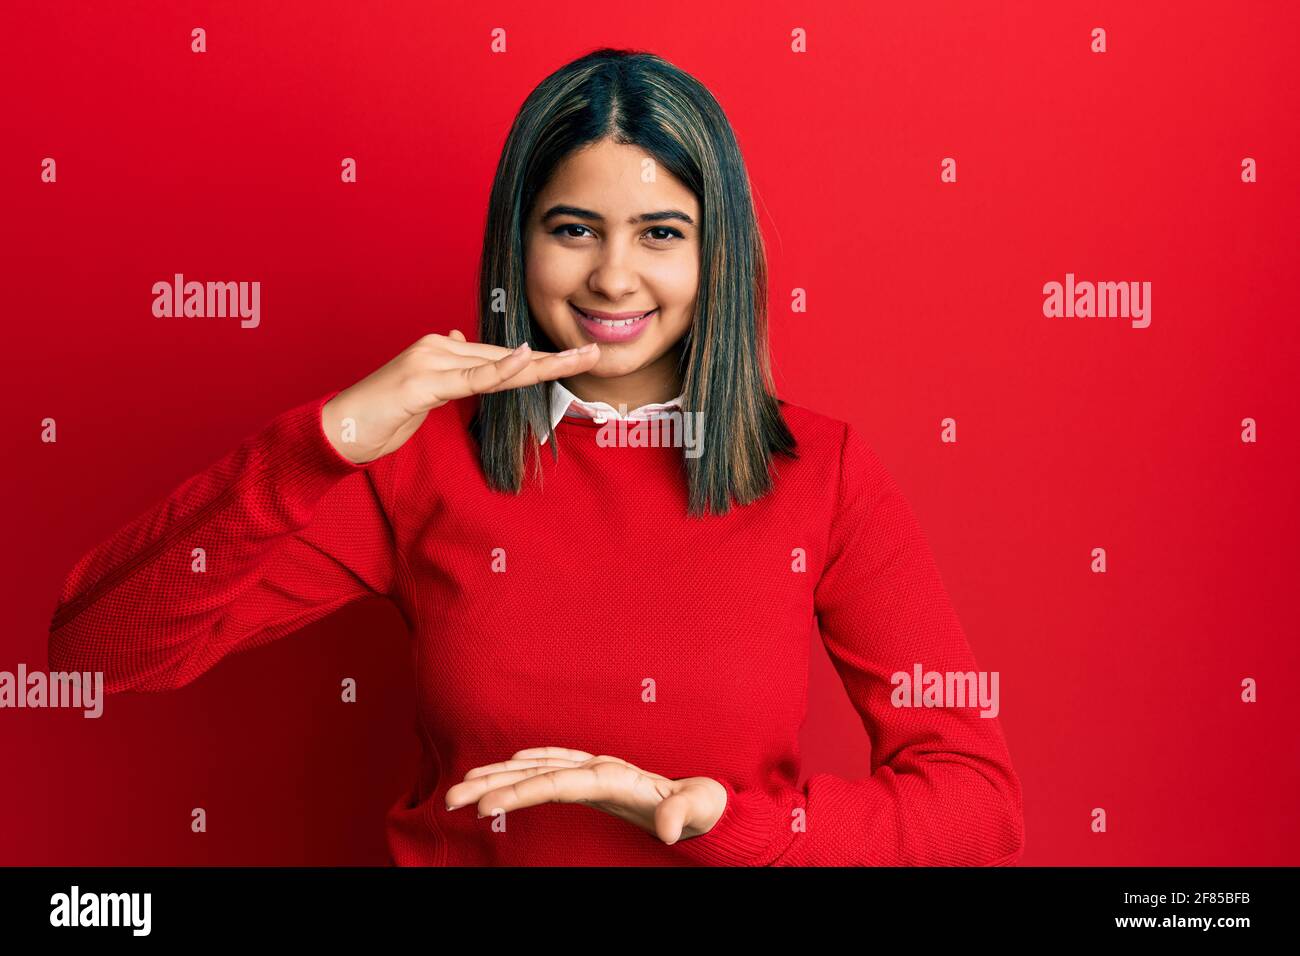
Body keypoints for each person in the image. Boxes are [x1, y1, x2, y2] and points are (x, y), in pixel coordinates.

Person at [47, 47, 1025, 866]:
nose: (612, 273)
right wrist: (323, 441)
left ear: (715, 253)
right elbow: (96, 654)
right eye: (573, 229)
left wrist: (740, 824)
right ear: (517, 244)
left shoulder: (824, 470)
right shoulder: (422, 459)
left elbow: (979, 806)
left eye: (659, 232)